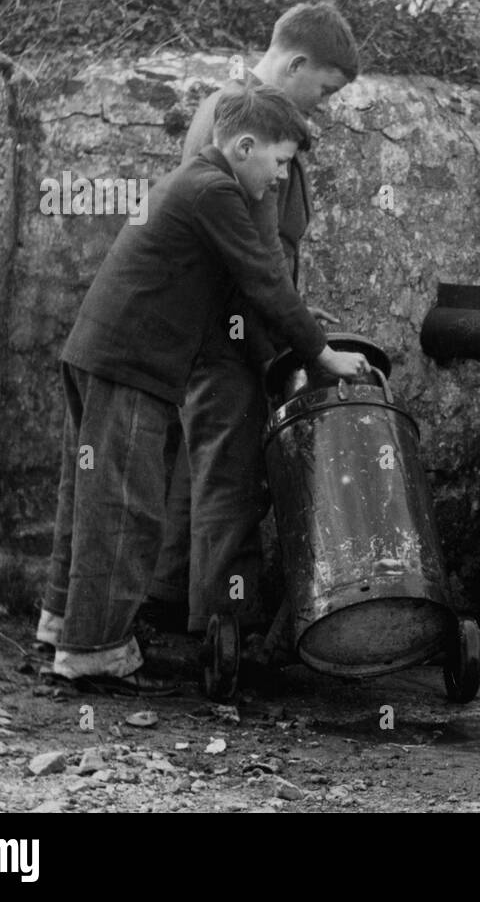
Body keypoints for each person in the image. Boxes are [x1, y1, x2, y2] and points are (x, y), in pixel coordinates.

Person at [36, 85, 370, 694]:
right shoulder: (216, 192)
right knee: (125, 507)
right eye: (280, 160)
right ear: (244, 147)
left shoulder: (195, 181)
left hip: (98, 353)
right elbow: (265, 279)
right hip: (131, 365)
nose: (282, 175)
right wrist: (321, 355)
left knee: (85, 495)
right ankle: (95, 652)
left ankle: (64, 625)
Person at [143, 1, 359, 638]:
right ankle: (223, 631)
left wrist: (291, 307)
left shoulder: (237, 110)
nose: (323, 105)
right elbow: (253, 257)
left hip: (232, 327)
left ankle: (166, 609)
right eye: (323, 89)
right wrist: (307, 343)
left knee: (200, 469)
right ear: (294, 63)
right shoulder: (241, 117)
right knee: (231, 480)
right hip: (233, 335)